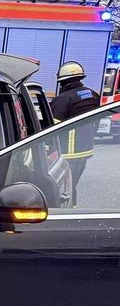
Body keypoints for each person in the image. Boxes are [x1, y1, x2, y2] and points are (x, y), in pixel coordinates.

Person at [51, 60, 100, 201]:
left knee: (65, 187)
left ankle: (67, 212)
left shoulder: (64, 98)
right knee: (72, 185)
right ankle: (72, 208)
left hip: (69, 151)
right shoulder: (93, 94)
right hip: (86, 148)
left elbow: (54, 126)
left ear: (63, 81)